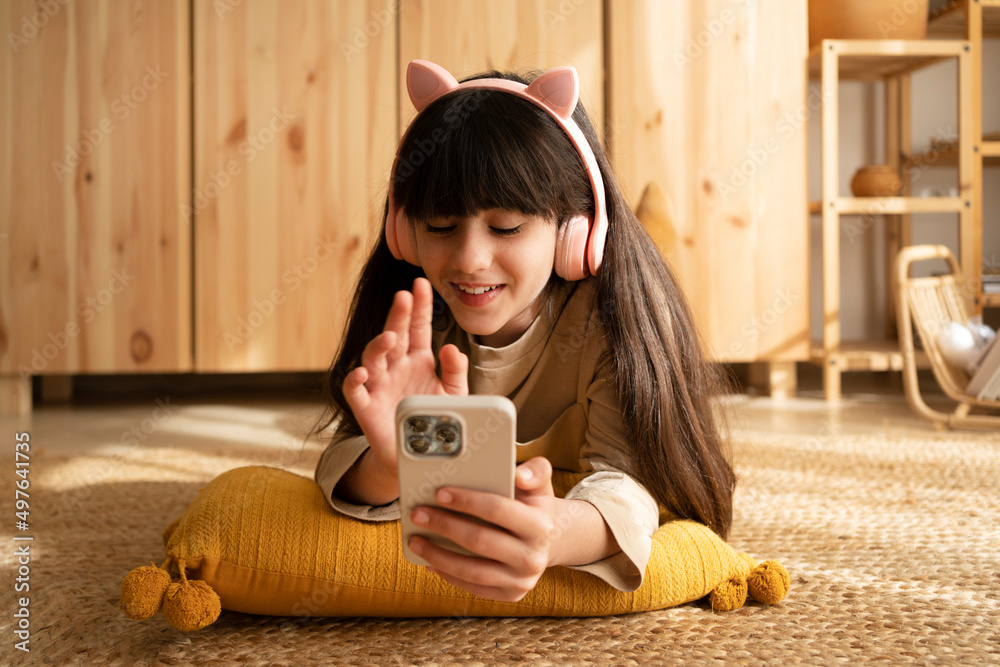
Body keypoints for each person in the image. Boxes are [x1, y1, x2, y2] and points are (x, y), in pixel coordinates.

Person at [313, 59, 735, 603]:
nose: (469, 259)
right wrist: (392, 465)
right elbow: (341, 461)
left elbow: (629, 484)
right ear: (404, 232)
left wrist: (557, 532)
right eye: (440, 227)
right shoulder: (414, 322)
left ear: (575, 230)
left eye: (506, 226)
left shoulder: (611, 325)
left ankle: (653, 229)